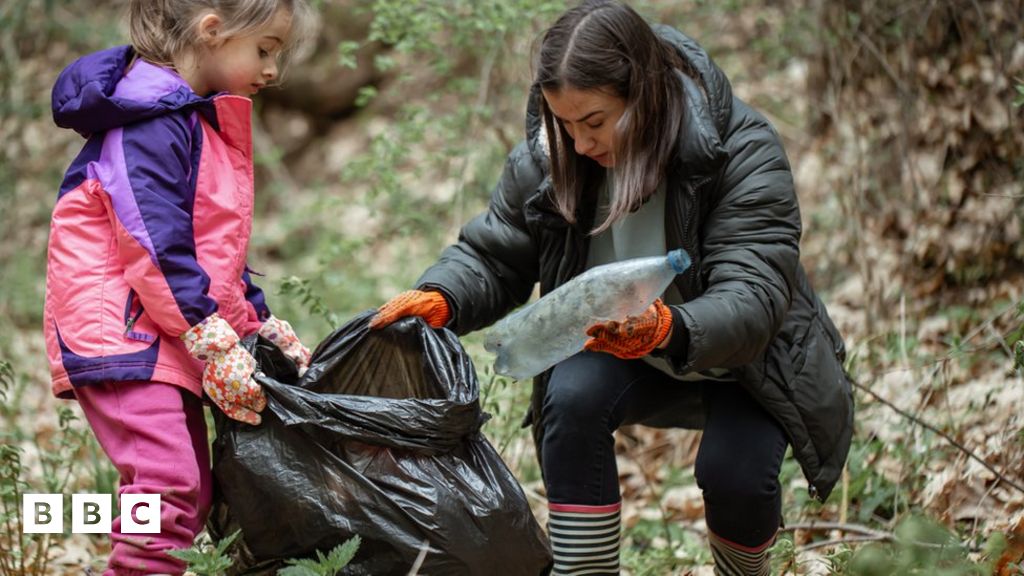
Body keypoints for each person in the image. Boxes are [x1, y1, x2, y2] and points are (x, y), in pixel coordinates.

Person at [369, 1, 854, 575]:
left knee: (735, 475)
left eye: (594, 122)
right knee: (568, 400)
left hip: (745, 363)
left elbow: (754, 294)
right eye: (565, 123)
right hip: (628, 353)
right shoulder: (551, 160)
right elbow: (493, 253)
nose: (579, 144)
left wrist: (670, 327)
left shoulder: (738, 150)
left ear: (645, 95)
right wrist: (443, 295)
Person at [44, 1, 315, 573]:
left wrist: (255, 326)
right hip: (121, 335)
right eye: (264, 49)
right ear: (211, 31)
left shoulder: (196, 122)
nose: (273, 71)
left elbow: (212, 256)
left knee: (189, 493)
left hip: (163, 331)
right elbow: (152, 244)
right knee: (166, 487)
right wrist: (213, 340)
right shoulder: (149, 122)